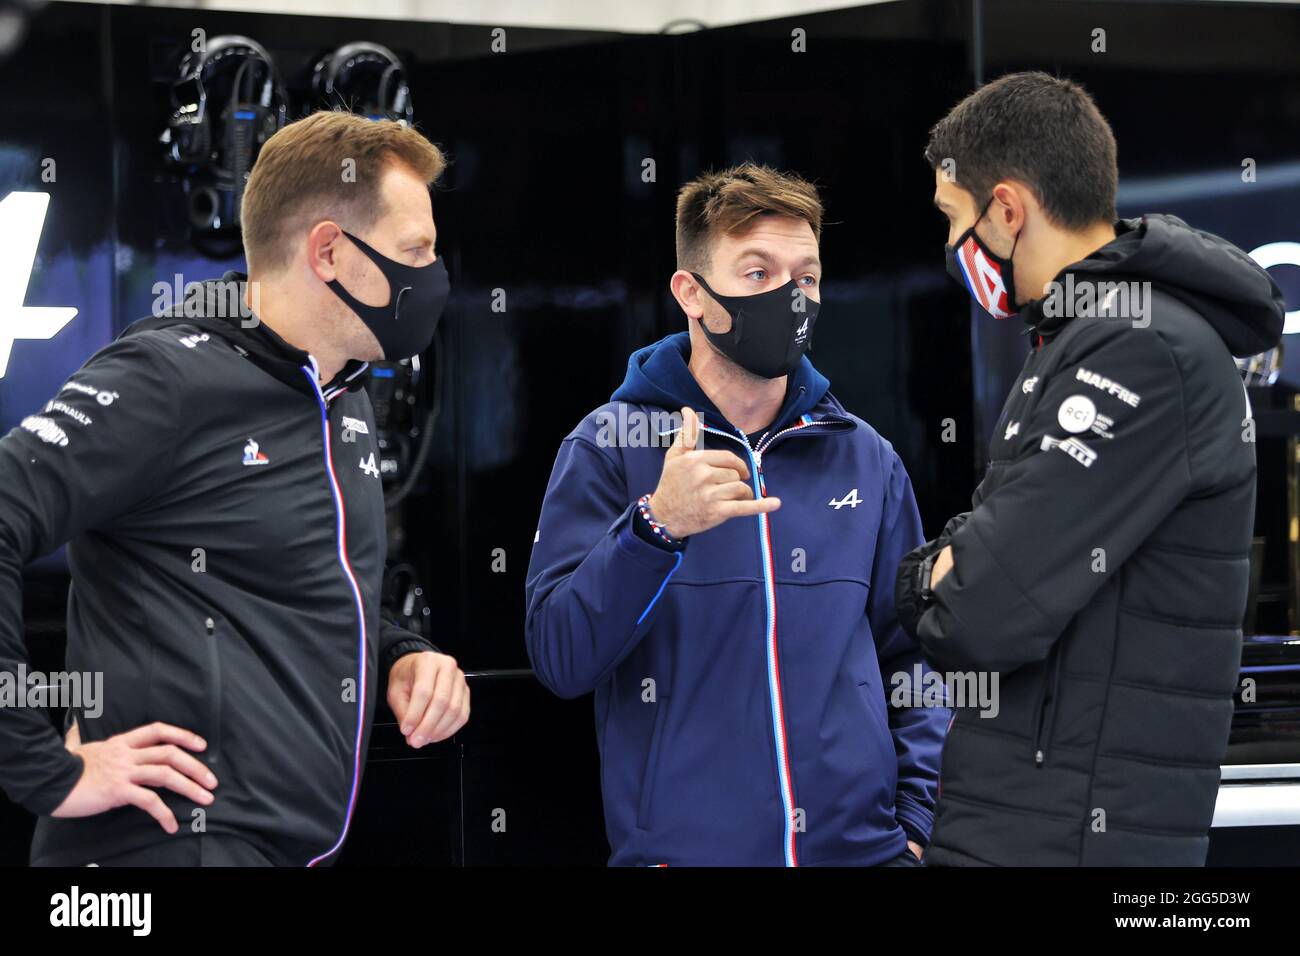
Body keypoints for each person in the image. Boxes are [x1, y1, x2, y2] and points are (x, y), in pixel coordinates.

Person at [0, 110, 470, 866]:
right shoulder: (166, 380)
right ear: (328, 251)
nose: (434, 276)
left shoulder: (342, 393)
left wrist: (401, 653)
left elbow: (303, 577)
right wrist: (40, 768)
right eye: (415, 252)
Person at [895, 72, 1285, 866]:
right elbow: (990, 552)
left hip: (1068, 835)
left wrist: (931, 576)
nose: (947, 247)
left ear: (1007, 209)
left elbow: (979, 607)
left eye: (951, 217)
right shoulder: (1077, 339)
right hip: (1036, 820)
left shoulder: (1139, 350)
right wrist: (943, 567)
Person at [525, 163, 948, 866]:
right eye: (757, 274)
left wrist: (914, 822)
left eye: (805, 277)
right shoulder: (608, 445)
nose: (789, 295)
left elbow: (918, 656)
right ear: (692, 293)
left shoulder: (865, 458)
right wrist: (655, 527)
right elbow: (561, 657)